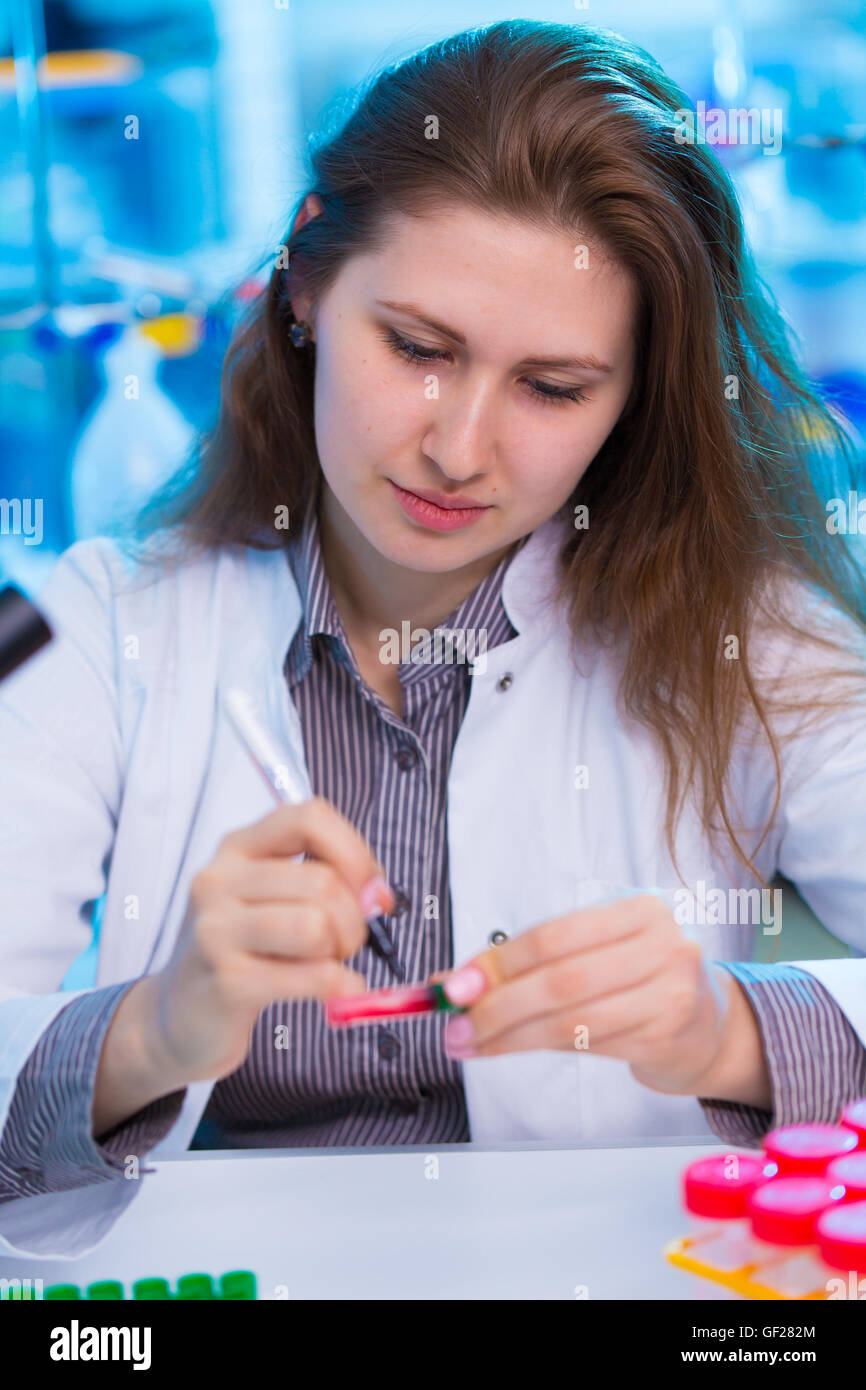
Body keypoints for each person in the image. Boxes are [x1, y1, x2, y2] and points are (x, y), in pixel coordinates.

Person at [1, 19, 865, 1259]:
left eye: (552, 387)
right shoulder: (98, 632)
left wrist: (725, 1030)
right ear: (301, 285)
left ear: (632, 397)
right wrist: (150, 1031)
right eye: (415, 348)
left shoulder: (741, 632)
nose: (460, 448)